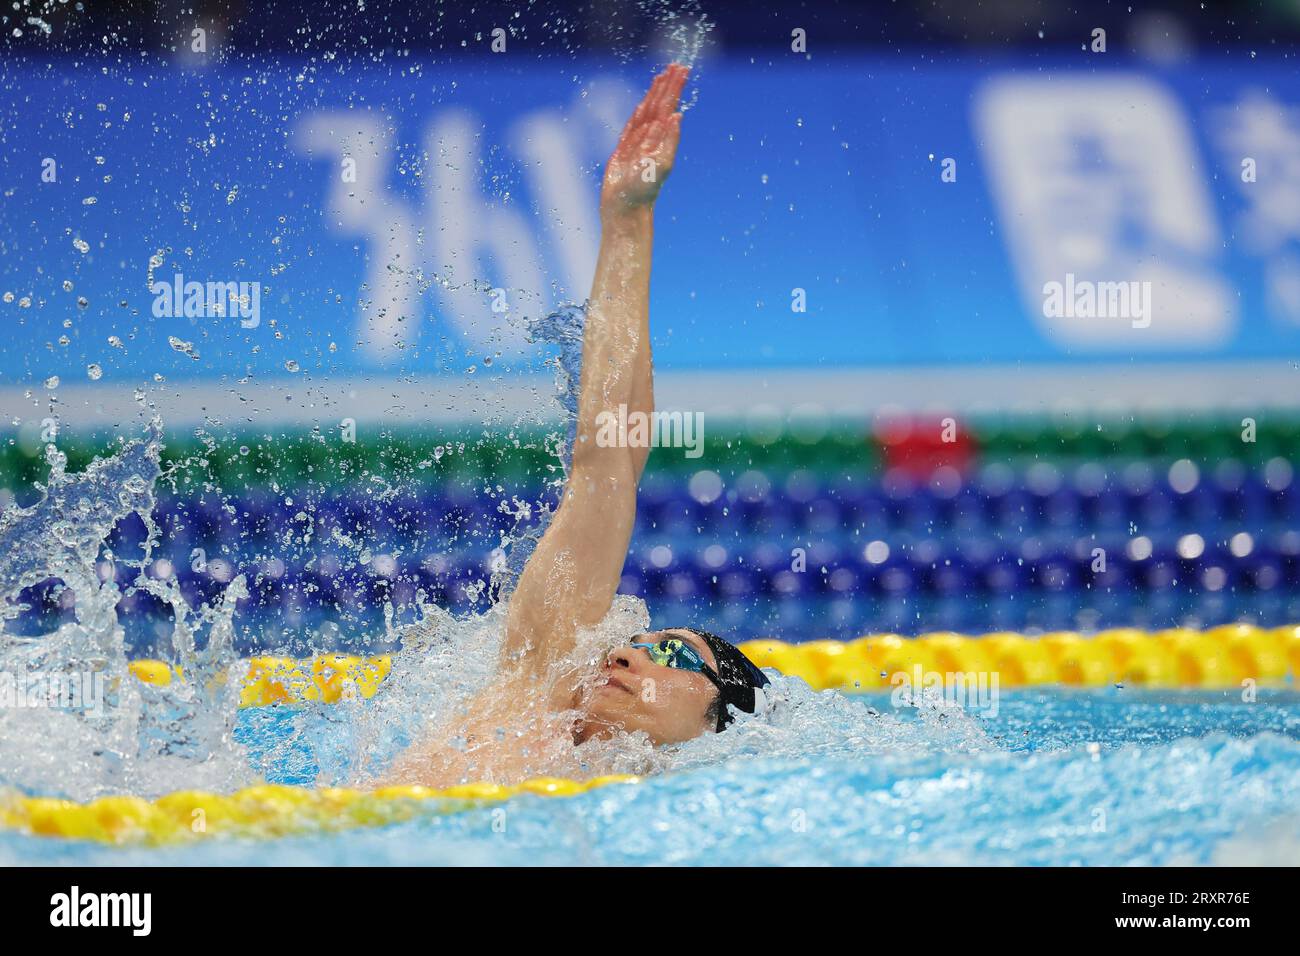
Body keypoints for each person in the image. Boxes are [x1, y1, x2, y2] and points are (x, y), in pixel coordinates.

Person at [385, 64, 770, 788]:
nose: (626, 655)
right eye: (637, 643)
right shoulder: (535, 698)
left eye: (677, 659)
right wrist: (629, 219)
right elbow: (607, 456)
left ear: (717, 726)